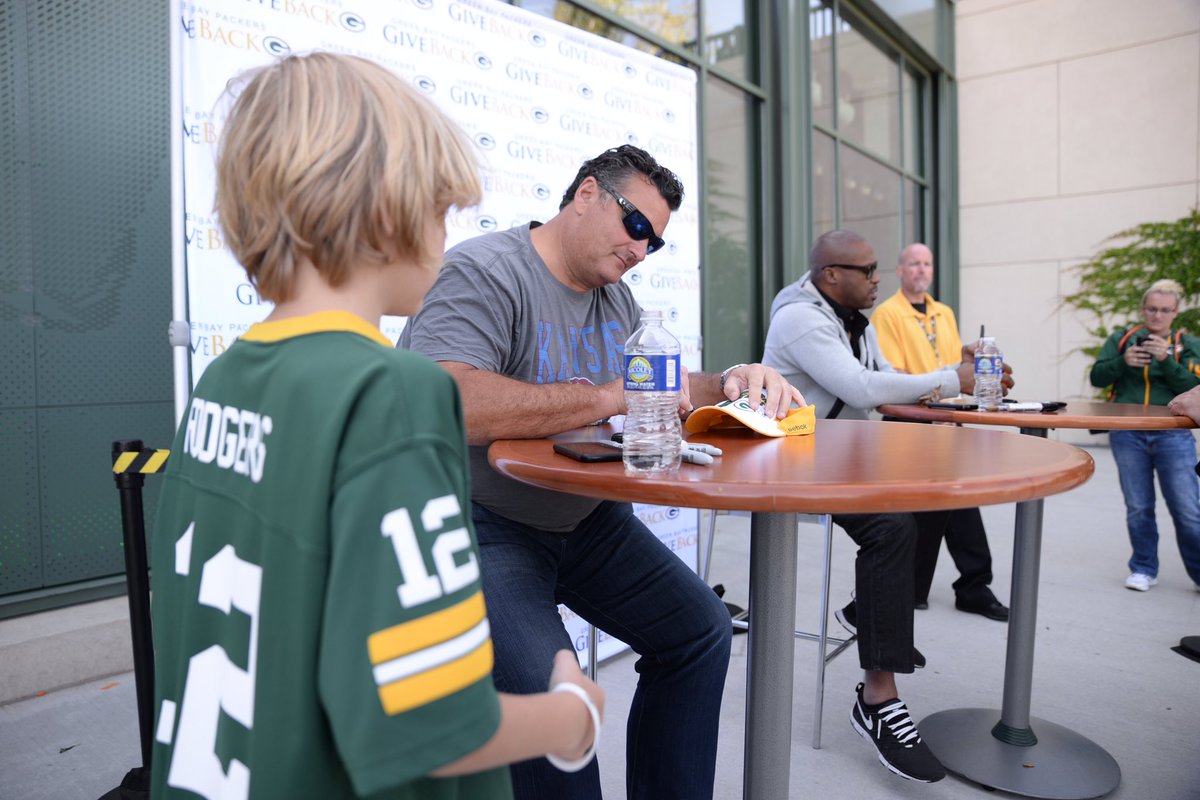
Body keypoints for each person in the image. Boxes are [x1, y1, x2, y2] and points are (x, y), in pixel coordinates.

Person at [149, 53, 604, 800]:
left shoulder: (224, 378)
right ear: (387, 205)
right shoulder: (391, 394)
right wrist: (568, 718)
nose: (449, 231)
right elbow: (428, 723)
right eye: (441, 205)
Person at [400, 144, 803, 800]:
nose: (640, 250)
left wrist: (731, 381)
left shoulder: (617, 302)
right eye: (635, 225)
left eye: (656, 243)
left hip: (586, 519)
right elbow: (449, 401)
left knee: (699, 632)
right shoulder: (486, 271)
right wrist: (606, 396)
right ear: (586, 194)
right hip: (479, 522)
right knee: (556, 712)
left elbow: (660, 386)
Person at [762, 229, 978, 784]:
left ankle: (870, 614)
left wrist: (950, 388)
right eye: (869, 269)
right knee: (890, 527)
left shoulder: (852, 320)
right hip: (796, 461)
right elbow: (861, 389)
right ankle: (877, 701)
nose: (879, 278)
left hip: (844, 457)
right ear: (832, 275)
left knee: (936, 491)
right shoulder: (800, 319)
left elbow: (884, 384)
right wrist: (951, 379)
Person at [871, 243, 1009, 621]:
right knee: (918, 510)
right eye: (914, 263)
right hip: (908, 419)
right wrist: (943, 385)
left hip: (947, 416)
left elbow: (952, 368)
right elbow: (890, 376)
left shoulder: (943, 313)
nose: (921, 269)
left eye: (927, 263)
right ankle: (918, 589)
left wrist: (962, 376)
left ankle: (973, 585)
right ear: (900, 270)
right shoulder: (886, 314)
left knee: (961, 500)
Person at [1090, 278, 1200, 592]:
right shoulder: (1123, 338)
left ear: (1176, 312)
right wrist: (1121, 363)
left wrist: (1166, 360)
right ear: (1143, 309)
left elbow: (1194, 391)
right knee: (1138, 505)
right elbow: (1097, 376)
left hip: (1173, 434)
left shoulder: (1188, 344)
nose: (1157, 316)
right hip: (1127, 433)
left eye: (1165, 310)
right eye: (1151, 309)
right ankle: (1143, 568)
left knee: (1188, 508)